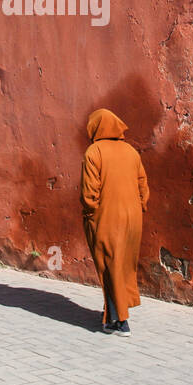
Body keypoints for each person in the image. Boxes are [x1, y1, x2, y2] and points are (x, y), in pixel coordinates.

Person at [79, 108, 149, 336]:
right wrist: (139, 207)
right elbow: (143, 186)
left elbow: (90, 193)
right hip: (133, 219)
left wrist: (90, 213)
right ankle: (112, 312)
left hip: (107, 218)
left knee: (109, 265)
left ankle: (120, 321)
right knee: (123, 266)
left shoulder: (94, 152)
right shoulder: (131, 152)